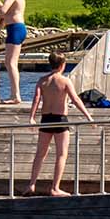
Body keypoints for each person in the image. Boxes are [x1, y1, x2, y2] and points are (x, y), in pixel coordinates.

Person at [27, 52, 92, 196]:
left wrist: (31, 117)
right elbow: (75, 99)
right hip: (60, 119)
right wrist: (88, 116)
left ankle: (32, 184)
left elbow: (36, 99)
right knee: (61, 154)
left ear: (51, 64)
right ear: (63, 65)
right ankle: (55, 188)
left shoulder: (42, 80)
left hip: (46, 120)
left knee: (40, 154)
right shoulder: (64, 81)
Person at [0, 0, 27, 104]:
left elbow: (3, 10)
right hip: (15, 28)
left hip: (16, 28)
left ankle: (15, 96)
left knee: (10, 63)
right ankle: (14, 94)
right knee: (9, 62)